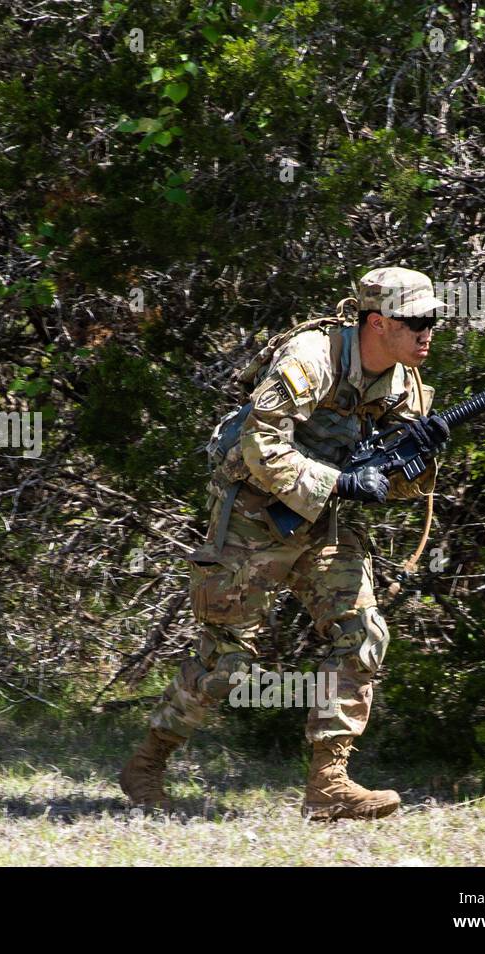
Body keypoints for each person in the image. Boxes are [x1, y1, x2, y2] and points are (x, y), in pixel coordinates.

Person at [120, 267, 452, 821]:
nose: (429, 332)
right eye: (417, 320)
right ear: (377, 323)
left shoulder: (405, 384)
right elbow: (260, 443)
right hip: (253, 510)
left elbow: (390, 486)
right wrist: (343, 482)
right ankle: (147, 764)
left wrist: (419, 456)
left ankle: (329, 785)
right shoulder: (311, 357)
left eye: (434, 320)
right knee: (226, 661)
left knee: (363, 633)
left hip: (323, 521)